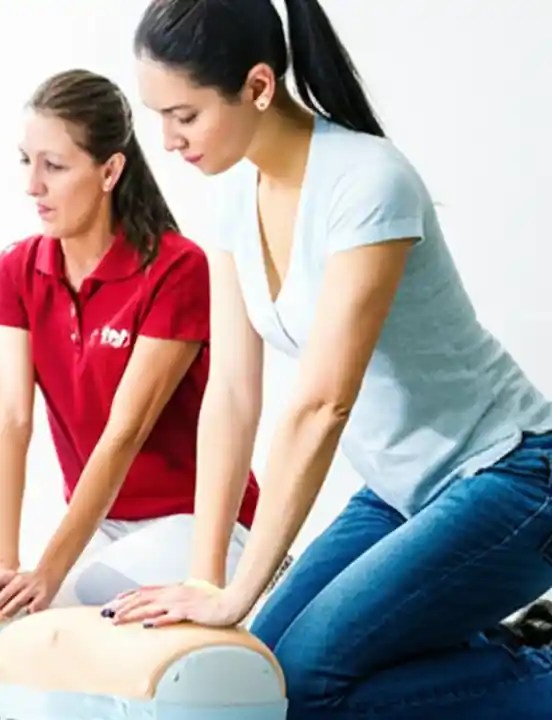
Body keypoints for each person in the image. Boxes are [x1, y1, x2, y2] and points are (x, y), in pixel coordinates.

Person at [107, 1, 552, 718]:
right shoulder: (230, 199)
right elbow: (230, 396)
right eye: (157, 116)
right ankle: (493, 651)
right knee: (268, 675)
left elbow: (322, 404)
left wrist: (243, 591)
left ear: (256, 87)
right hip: (401, 492)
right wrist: (206, 579)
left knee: (311, 687)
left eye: (184, 116)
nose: (167, 141)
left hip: (515, 477)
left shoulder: (367, 182)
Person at [0, 69, 259, 622]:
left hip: (196, 525)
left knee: (71, 612)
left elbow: (125, 431)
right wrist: (5, 564)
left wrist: (48, 572)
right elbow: (10, 418)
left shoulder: (177, 268)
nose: (32, 185)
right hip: (104, 528)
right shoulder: (17, 269)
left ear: (111, 170)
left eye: (55, 166)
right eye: (27, 161)